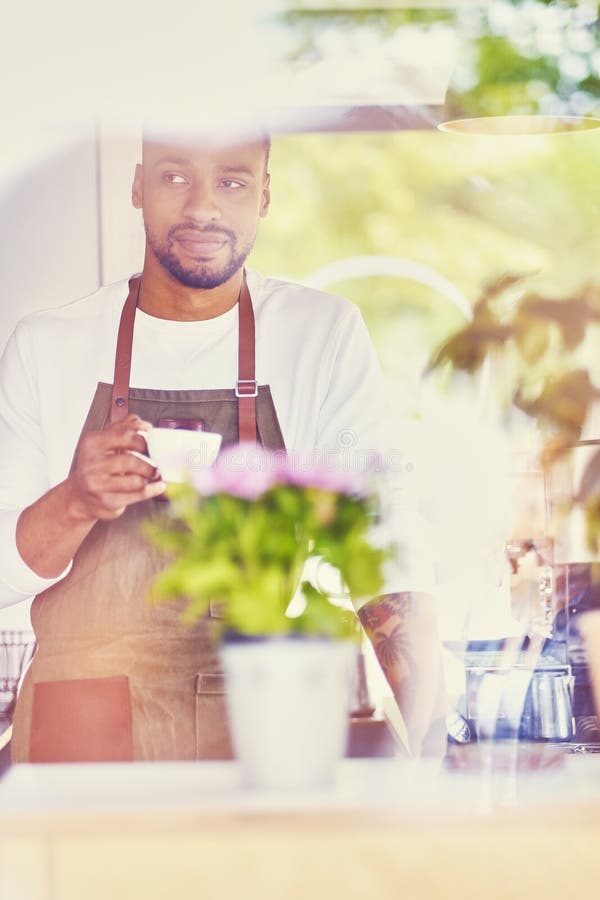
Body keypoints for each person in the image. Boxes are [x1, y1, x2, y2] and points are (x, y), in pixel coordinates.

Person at [0, 126, 445, 762]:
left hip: (258, 728)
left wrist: (433, 746)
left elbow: (385, 544)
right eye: (174, 176)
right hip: (79, 742)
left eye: (232, 182)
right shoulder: (49, 345)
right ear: (137, 187)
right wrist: (75, 501)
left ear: (264, 195)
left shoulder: (321, 334)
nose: (203, 207)